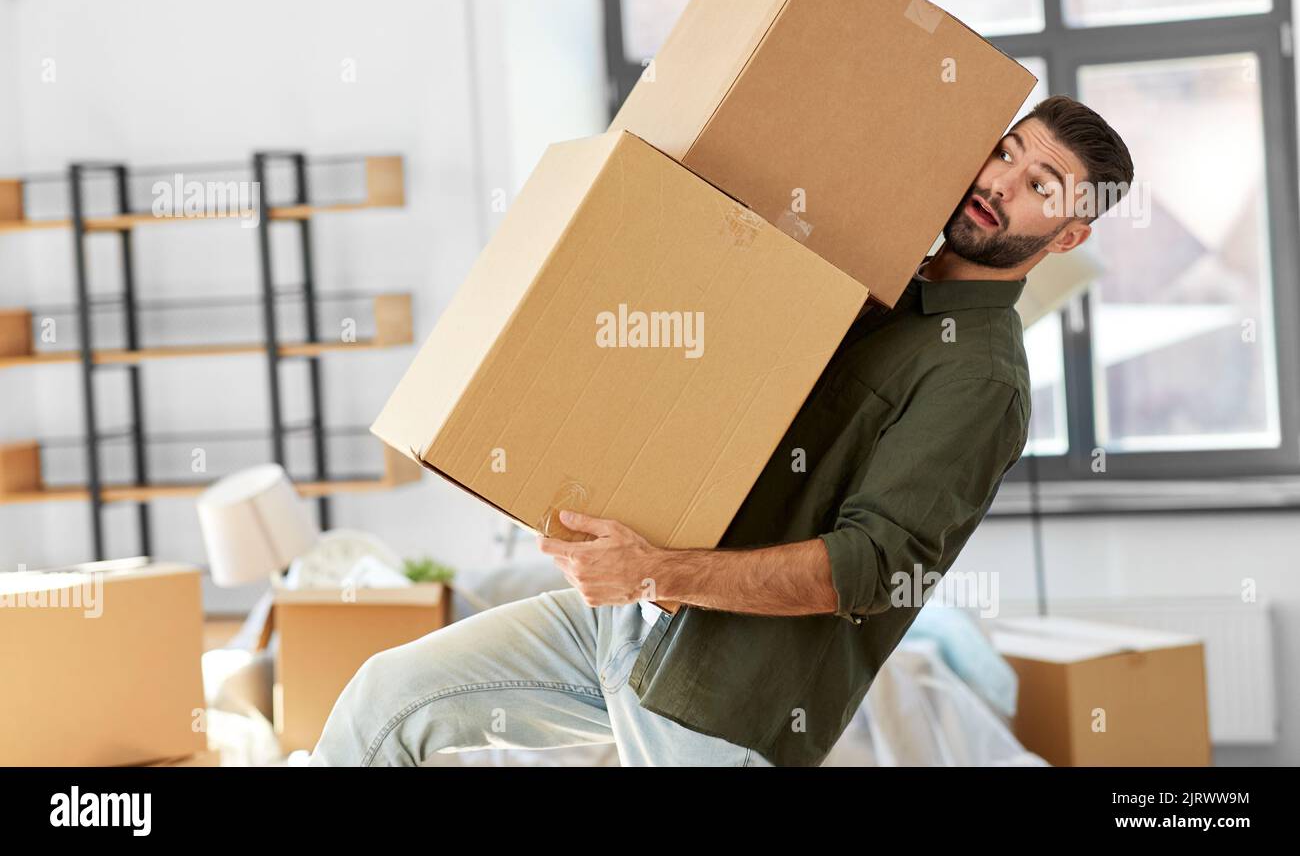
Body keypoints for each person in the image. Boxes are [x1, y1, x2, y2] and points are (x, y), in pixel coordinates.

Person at [309, 94, 1134, 767]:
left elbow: (872, 567)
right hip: (632, 620)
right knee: (385, 702)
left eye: (1043, 183)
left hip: (726, 701)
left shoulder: (979, 375)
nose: (1001, 182)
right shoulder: (877, 283)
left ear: (1068, 235)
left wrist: (654, 568)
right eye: (1006, 152)